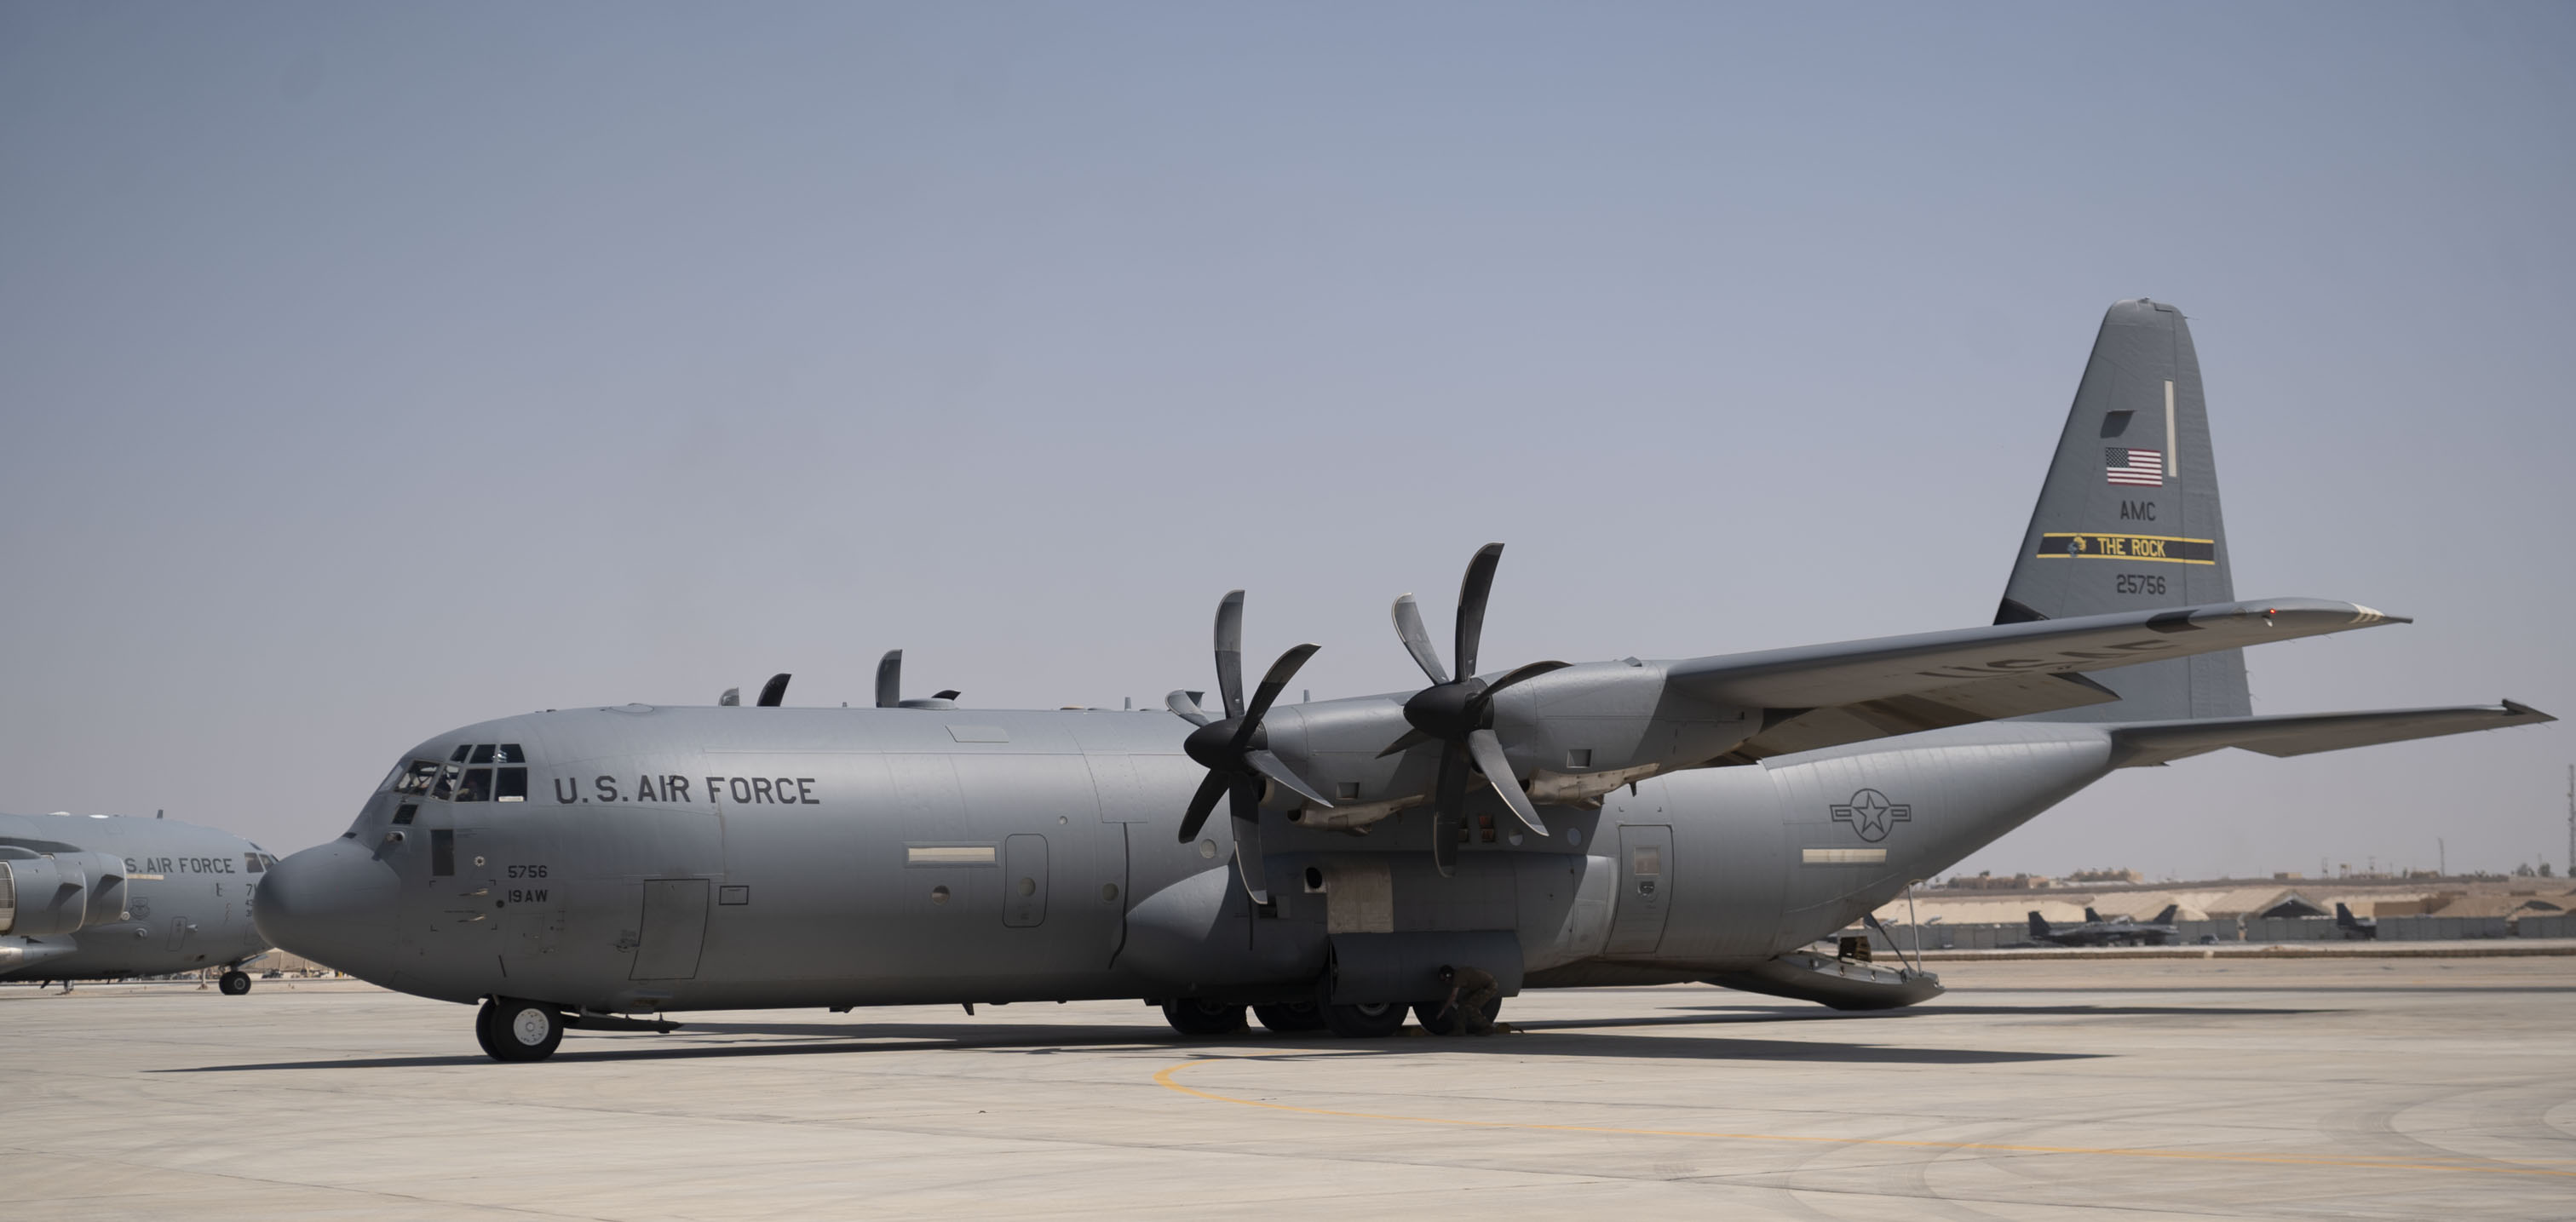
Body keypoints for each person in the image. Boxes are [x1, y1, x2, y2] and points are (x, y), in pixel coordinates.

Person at [1434, 963, 1499, 1036]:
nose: (1445, 982)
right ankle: (1459, 1030)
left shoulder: (1458, 978)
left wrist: (1443, 1010)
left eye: (1444, 979)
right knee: (1463, 1003)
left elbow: (1453, 997)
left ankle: (1488, 1027)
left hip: (1489, 987)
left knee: (1470, 1006)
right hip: (1479, 988)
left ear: (1448, 976)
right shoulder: (1458, 975)